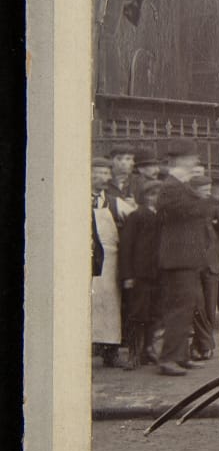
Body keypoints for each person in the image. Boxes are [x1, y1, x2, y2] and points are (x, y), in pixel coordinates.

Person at [154, 139, 211, 377]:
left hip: (185, 258)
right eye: (191, 158)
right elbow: (188, 210)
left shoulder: (180, 185)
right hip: (178, 259)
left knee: (186, 308)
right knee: (180, 309)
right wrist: (213, 201)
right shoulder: (171, 186)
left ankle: (181, 356)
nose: (195, 161)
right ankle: (168, 359)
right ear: (179, 160)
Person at [118, 179, 162, 369]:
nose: (157, 198)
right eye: (153, 194)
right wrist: (127, 275)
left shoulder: (163, 217)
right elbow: (126, 248)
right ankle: (134, 354)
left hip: (158, 274)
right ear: (144, 197)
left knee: (154, 313)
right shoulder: (135, 217)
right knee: (137, 314)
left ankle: (148, 351)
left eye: (160, 194)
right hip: (139, 275)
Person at [188, 172, 219, 359]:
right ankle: (206, 345)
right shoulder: (186, 205)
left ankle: (200, 346)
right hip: (192, 264)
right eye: (203, 190)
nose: (206, 192)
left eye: (208, 189)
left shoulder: (215, 204)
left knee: (210, 308)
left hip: (212, 265)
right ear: (194, 190)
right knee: (197, 306)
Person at [91, 157, 123, 367]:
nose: (104, 177)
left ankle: (111, 352)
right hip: (86, 260)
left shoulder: (113, 201)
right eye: (99, 172)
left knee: (110, 306)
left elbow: (136, 218)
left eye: (106, 173)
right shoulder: (74, 198)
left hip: (110, 262)